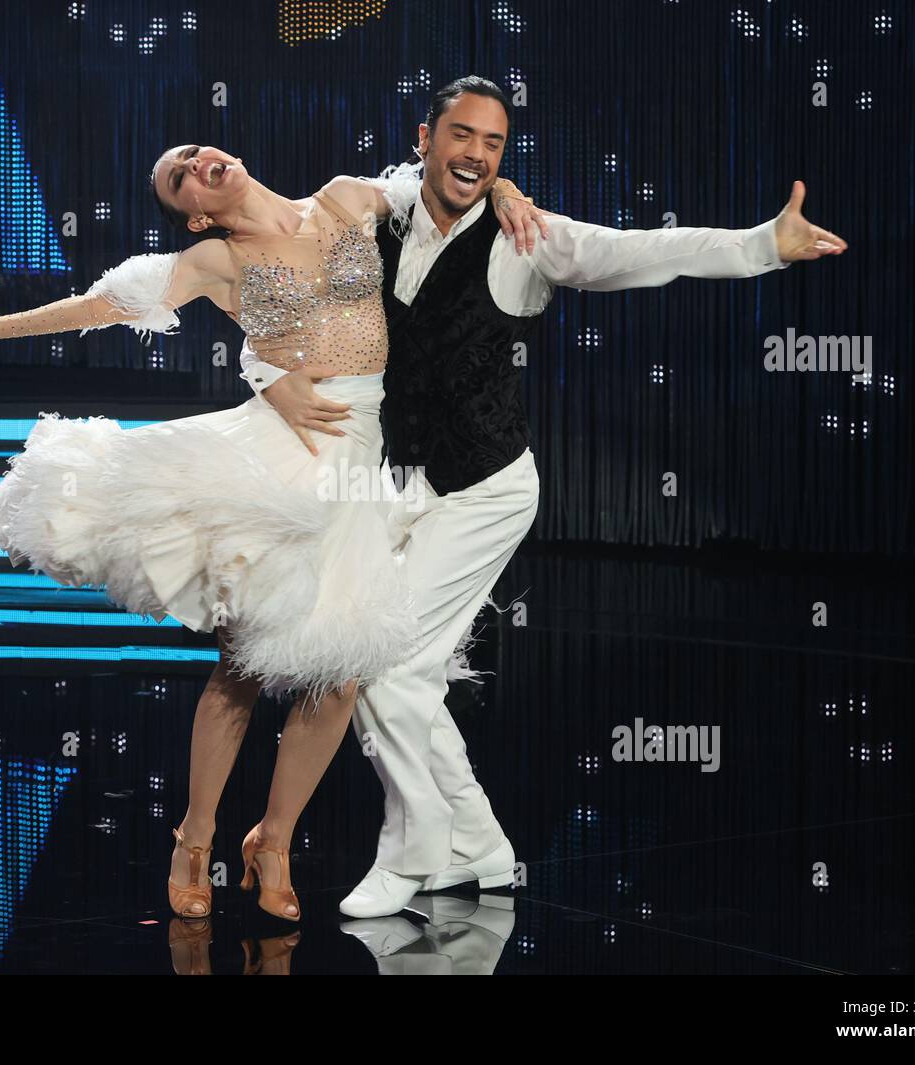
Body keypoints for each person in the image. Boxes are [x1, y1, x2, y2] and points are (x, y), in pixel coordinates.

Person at [245, 76, 848, 919]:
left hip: (488, 487)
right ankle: (483, 844)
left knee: (383, 669)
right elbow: (310, 227)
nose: (477, 155)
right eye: (463, 136)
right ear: (426, 136)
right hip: (404, 484)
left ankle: (413, 850)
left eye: (494, 145)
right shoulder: (382, 207)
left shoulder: (529, 238)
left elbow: (639, 251)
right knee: (395, 669)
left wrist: (757, 245)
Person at [0, 142, 543, 922]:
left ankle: (272, 842)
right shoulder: (213, 257)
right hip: (275, 463)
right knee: (240, 666)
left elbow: (447, 191)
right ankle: (194, 838)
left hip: (356, 461)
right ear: (196, 210)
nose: (198, 159)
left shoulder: (345, 197)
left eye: (196, 150)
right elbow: (99, 306)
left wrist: (504, 186)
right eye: (179, 173)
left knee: (340, 673)